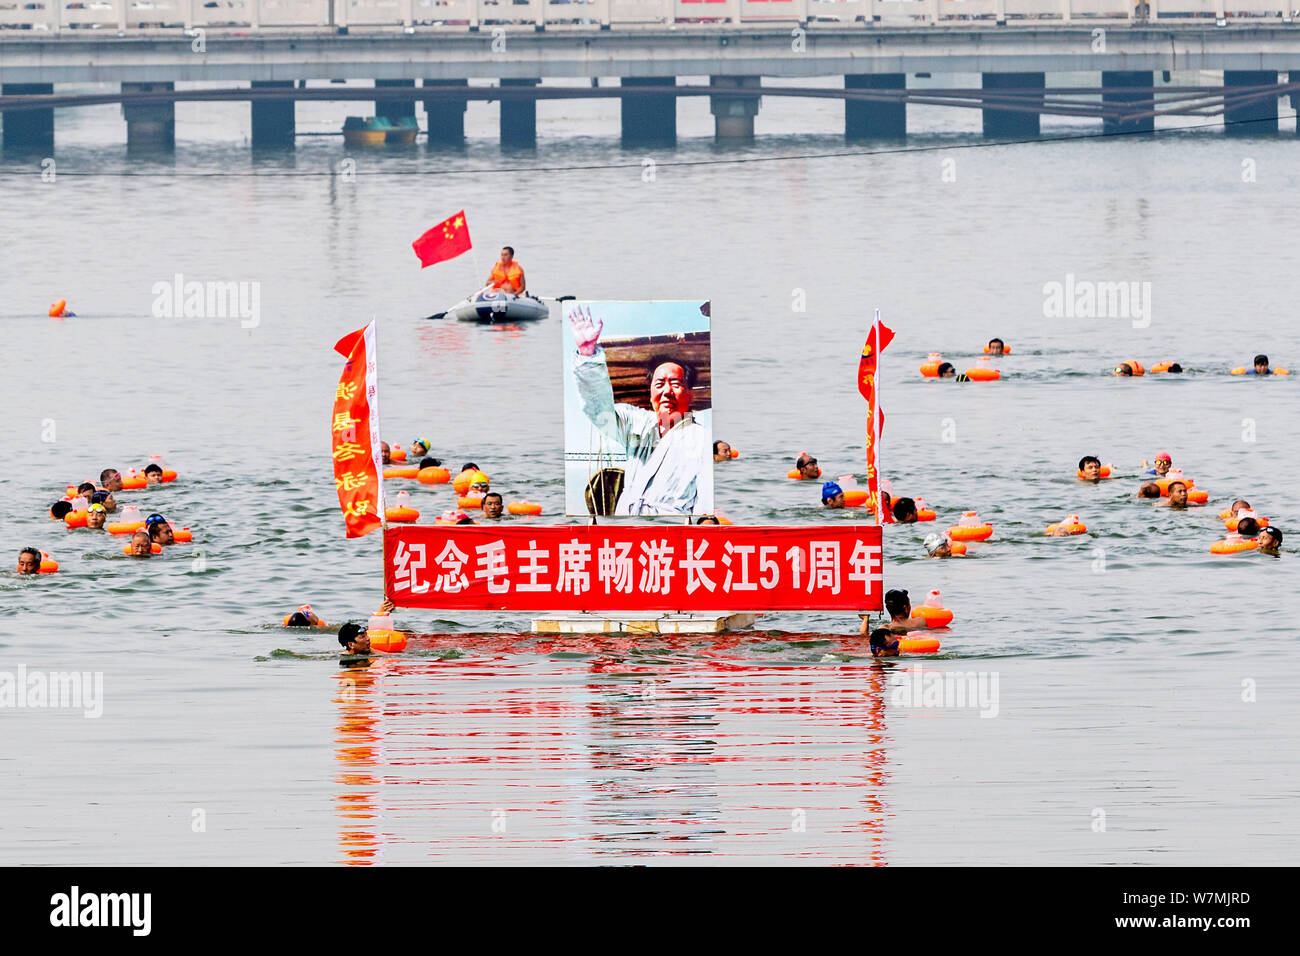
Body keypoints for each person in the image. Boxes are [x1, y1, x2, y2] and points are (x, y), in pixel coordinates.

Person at [568, 306, 713, 517]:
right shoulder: (637, 423)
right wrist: (587, 354)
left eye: (675, 383)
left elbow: (706, 498)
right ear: (650, 392)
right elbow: (600, 411)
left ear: (689, 393)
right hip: (626, 524)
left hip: (671, 528)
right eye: (659, 383)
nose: (666, 391)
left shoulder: (701, 438)